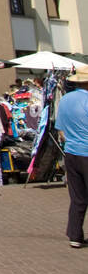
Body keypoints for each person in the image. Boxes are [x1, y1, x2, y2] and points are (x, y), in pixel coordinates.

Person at [55, 65, 88, 249]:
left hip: (71, 152)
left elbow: (60, 130)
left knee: (77, 197)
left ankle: (75, 235)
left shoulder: (66, 100)